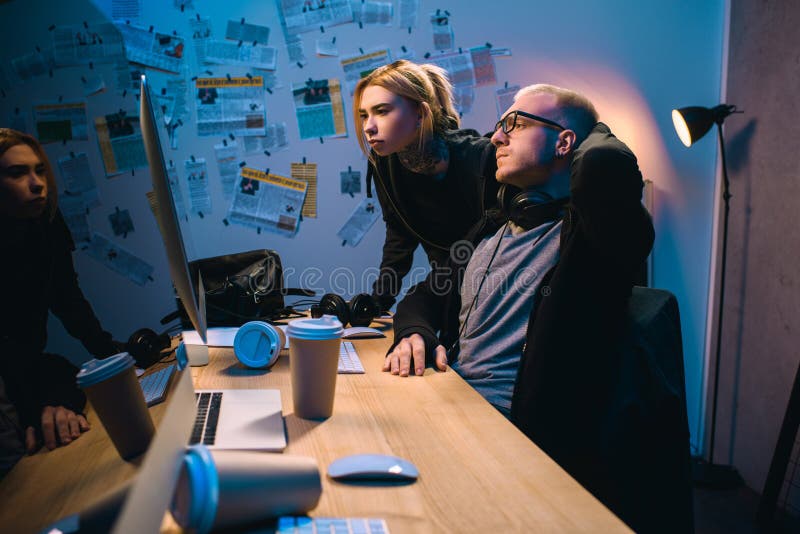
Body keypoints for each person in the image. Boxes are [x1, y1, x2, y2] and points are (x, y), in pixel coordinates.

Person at [383, 85, 692, 532]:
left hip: (516, 449)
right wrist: (416, 332)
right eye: (498, 126)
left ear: (567, 144)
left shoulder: (590, 244)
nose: (496, 138)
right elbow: (425, 296)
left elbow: (605, 166)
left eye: (515, 124)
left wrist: (592, 130)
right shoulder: (492, 230)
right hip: (451, 414)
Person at [0, 129, 119, 475]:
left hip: (27, 366)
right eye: (17, 172)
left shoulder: (45, 224)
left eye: (39, 170)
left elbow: (68, 301)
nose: (37, 183)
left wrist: (114, 355)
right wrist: (36, 403)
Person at [353, 60, 499, 311]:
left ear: (420, 114)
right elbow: (399, 233)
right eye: (364, 115)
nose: (369, 126)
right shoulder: (385, 164)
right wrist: (378, 302)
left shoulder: (482, 158)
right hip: (446, 287)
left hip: (497, 287)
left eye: (382, 111)